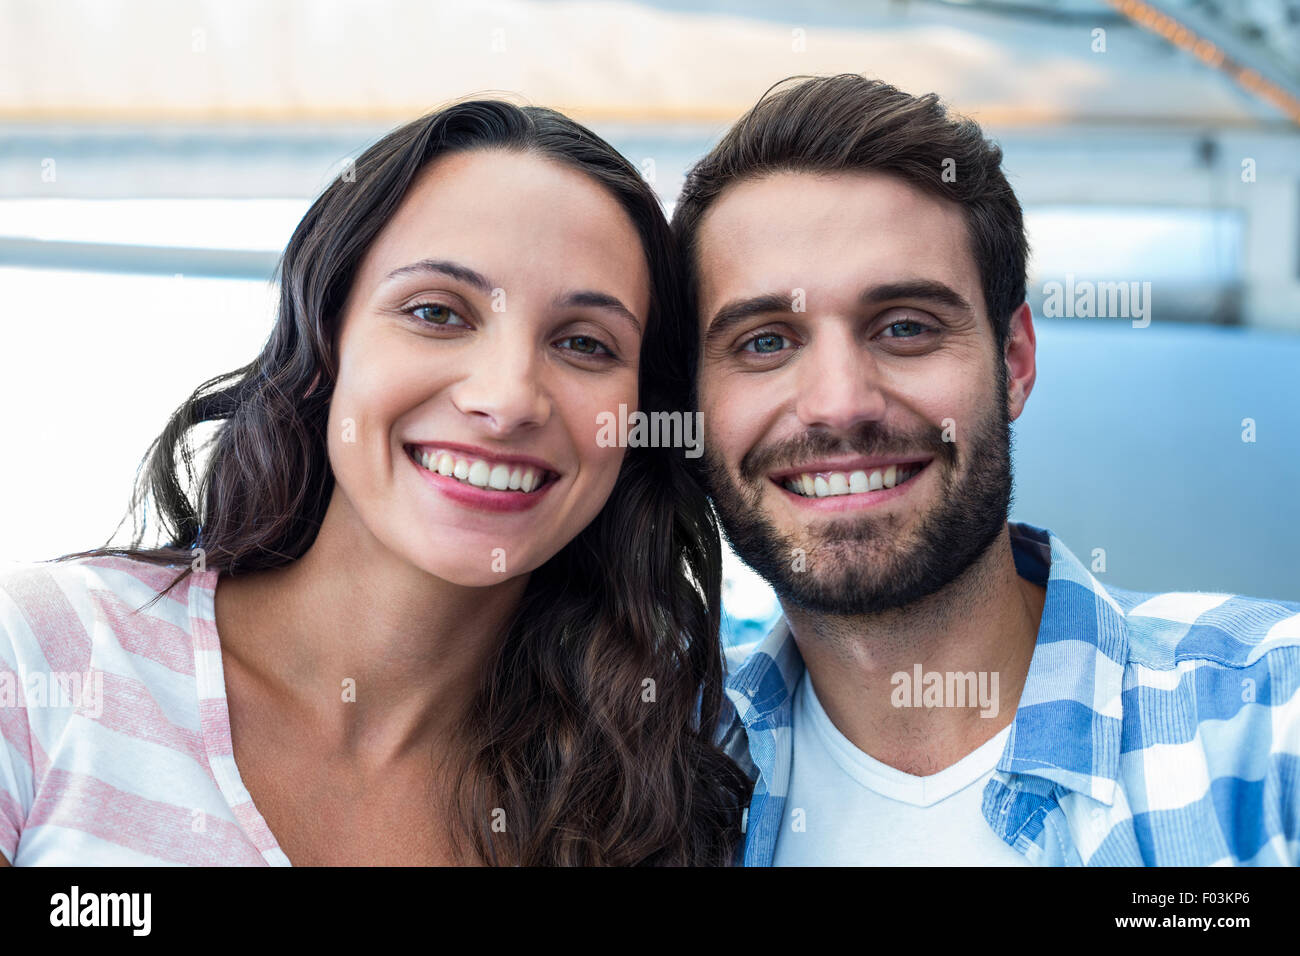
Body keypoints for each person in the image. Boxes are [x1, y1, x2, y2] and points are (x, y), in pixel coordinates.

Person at [0, 99, 749, 866]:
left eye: (585, 343)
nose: (508, 398)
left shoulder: (670, 774)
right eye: (437, 312)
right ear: (324, 342)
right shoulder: (42, 658)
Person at [672, 74, 1300, 866]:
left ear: (1016, 361)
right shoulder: (643, 779)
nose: (839, 405)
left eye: (905, 327)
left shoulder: (1269, 717)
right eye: (765, 342)